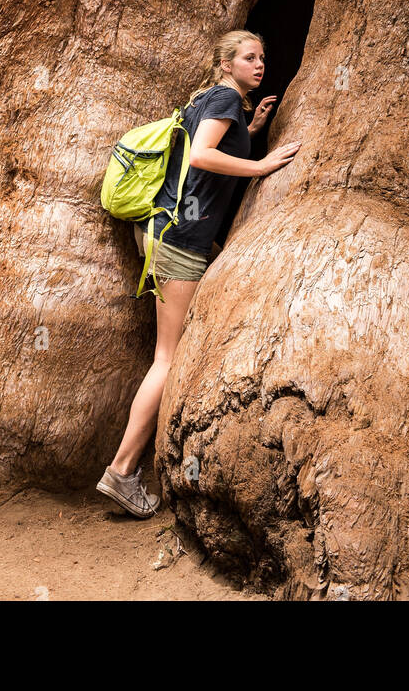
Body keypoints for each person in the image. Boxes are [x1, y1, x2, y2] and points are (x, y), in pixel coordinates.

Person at [96, 29, 301, 518]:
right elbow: (201, 157)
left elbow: (205, 155)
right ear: (227, 64)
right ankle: (123, 472)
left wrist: (250, 135)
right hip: (180, 242)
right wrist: (263, 165)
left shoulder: (207, 99)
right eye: (249, 57)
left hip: (160, 230)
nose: (259, 64)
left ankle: (127, 468)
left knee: (171, 349)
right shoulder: (227, 97)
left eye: (263, 57)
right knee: (166, 358)